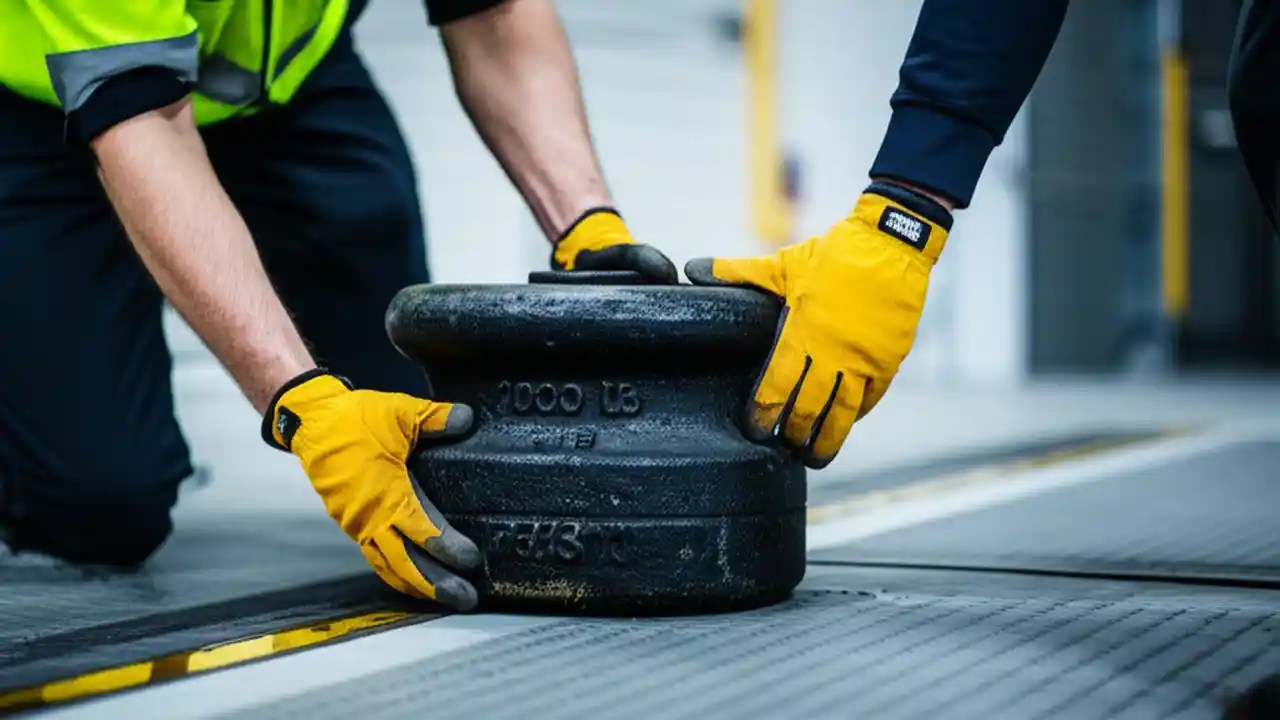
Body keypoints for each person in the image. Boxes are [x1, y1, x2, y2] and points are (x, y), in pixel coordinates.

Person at [0, 0, 675, 610]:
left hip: (285, 90)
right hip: (51, 108)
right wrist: (305, 404)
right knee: (104, 509)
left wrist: (587, 225)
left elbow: (494, 17)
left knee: (419, 430)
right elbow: (142, 125)